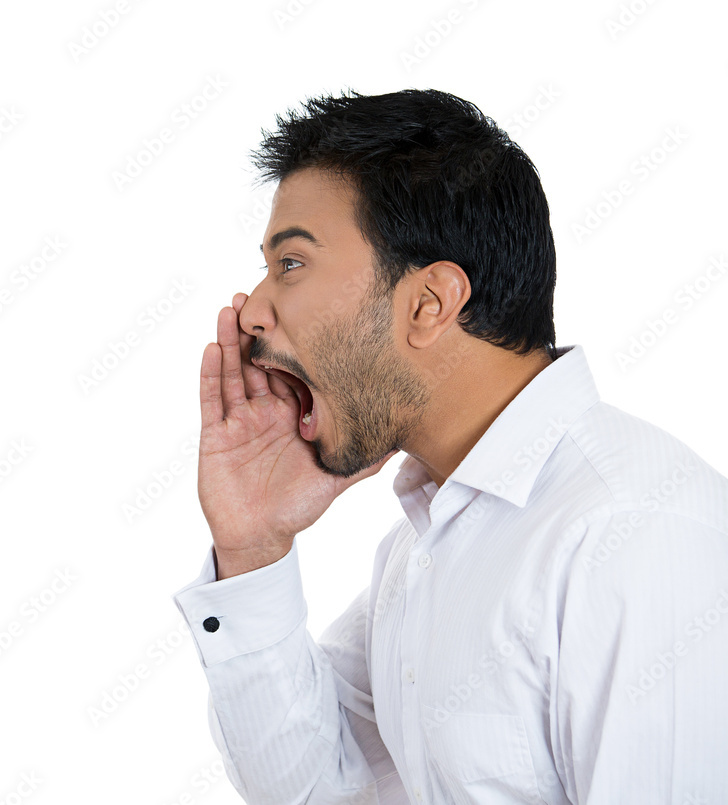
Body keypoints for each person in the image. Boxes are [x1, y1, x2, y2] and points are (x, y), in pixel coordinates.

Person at [171, 89, 728, 804]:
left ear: (429, 303)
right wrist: (252, 546)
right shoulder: (426, 548)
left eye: (291, 263)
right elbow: (316, 787)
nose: (250, 308)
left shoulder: (633, 534)